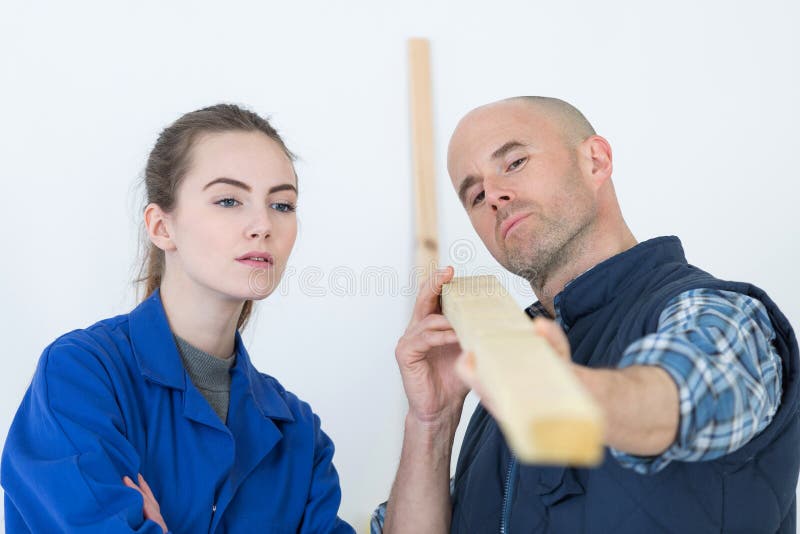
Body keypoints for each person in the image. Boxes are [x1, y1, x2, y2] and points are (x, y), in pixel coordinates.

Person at [378, 97, 799, 533]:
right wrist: (433, 422)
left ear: (595, 161)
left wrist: (568, 393)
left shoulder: (717, 314)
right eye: (476, 195)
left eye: (515, 163)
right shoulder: (507, 374)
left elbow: (689, 389)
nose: (494, 197)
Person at [2, 104, 354, 533]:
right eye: (229, 200)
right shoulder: (79, 376)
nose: (263, 224)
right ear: (161, 226)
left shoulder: (299, 434)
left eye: (282, 204)